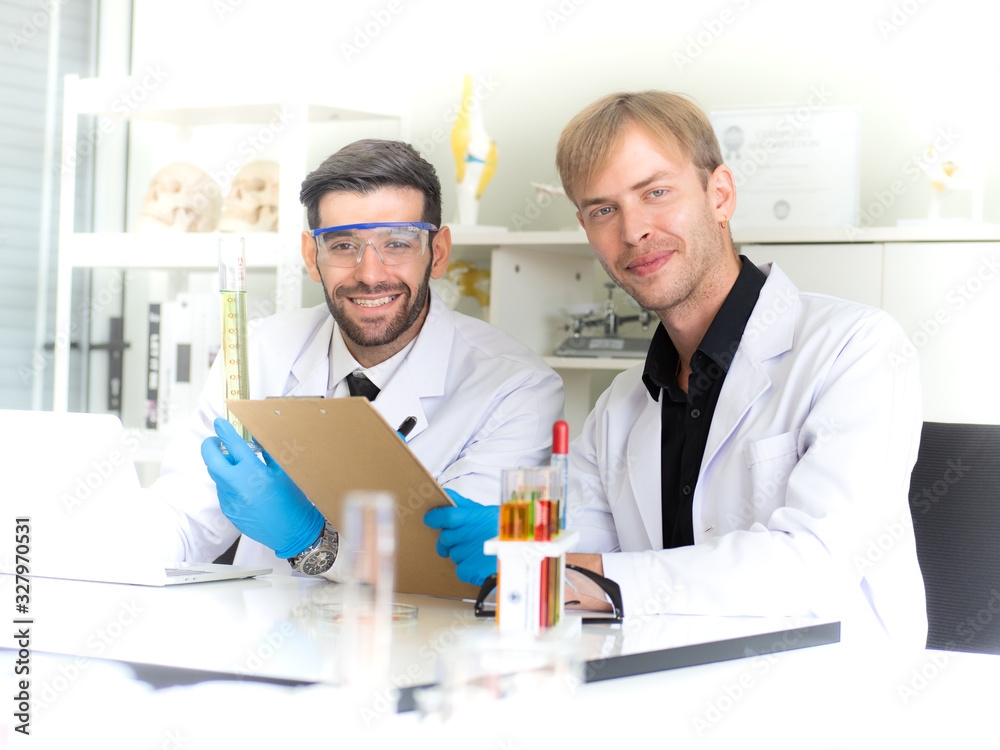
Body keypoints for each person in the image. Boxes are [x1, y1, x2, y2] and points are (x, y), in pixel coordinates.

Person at [427, 91, 927, 648]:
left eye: (656, 192)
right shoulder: (620, 406)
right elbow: (578, 569)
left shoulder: (855, 348)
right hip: (661, 688)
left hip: (831, 699)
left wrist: (563, 566)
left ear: (720, 194)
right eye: (603, 210)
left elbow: (815, 564)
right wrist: (527, 545)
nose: (633, 230)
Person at [143, 139, 563, 579]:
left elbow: (441, 567)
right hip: (259, 637)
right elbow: (181, 515)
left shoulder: (517, 389)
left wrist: (308, 541)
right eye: (343, 245)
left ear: (438, 253)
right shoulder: (258, 351)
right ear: (312, 256)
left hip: (419, 644)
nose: (370, 273)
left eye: (398, 243)